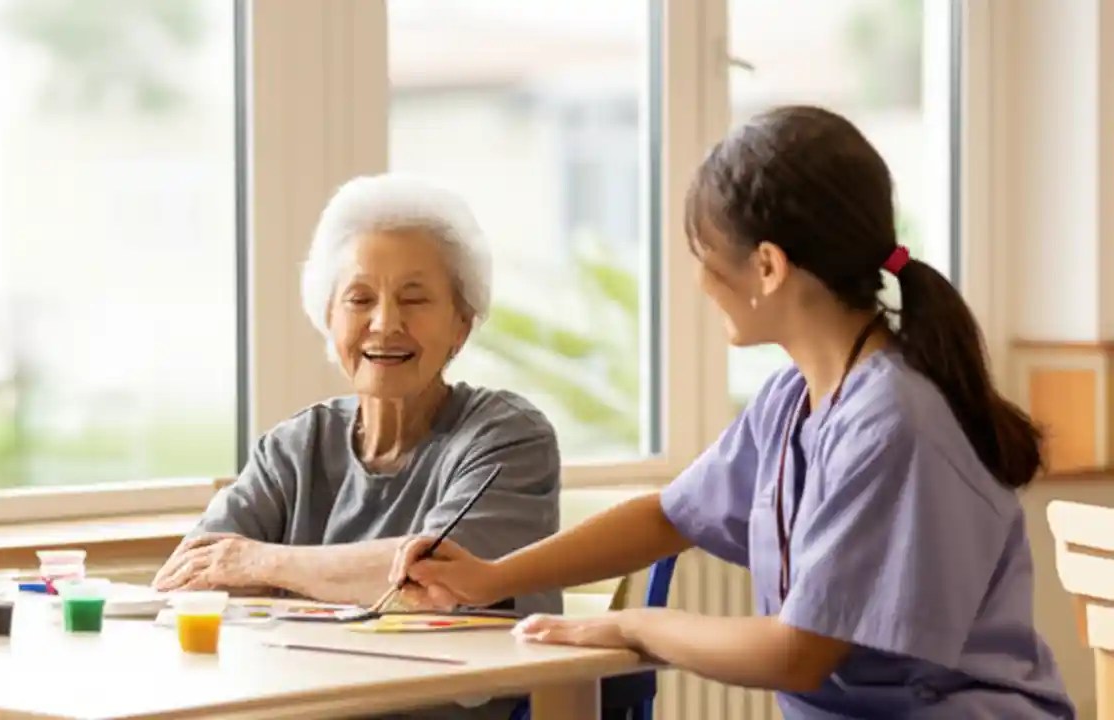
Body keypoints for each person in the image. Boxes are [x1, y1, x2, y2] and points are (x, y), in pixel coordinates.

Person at [392, 106, 1075, 719]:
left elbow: (795, 655)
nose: (697, 281)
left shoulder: (894, 420)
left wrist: (639, 626)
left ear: (769, 267)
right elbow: (669, 516)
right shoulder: (793, 400)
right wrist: (490, 576)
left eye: (705, 257)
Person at [153, 173, 562, 624]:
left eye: (414, 299)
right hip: (319, 687)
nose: (385, 323)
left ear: (461, 325)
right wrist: (243, 564)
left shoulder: (509, 437)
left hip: (456, 689)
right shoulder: (295, 447)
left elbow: (435, 578)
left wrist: (262, 562)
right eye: (360, 298)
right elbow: (191, 575)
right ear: (328, 318)